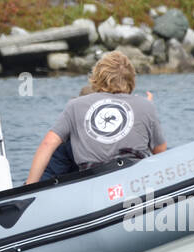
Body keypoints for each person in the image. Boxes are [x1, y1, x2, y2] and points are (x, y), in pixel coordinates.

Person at [25, 52, 167, 185]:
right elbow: (160, 152)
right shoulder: (146, 105)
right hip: (135, 180)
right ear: (131, 79)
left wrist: (29, 188)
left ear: (97, 76)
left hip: (93, 182)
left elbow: (47, 144)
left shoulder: (74, 105)